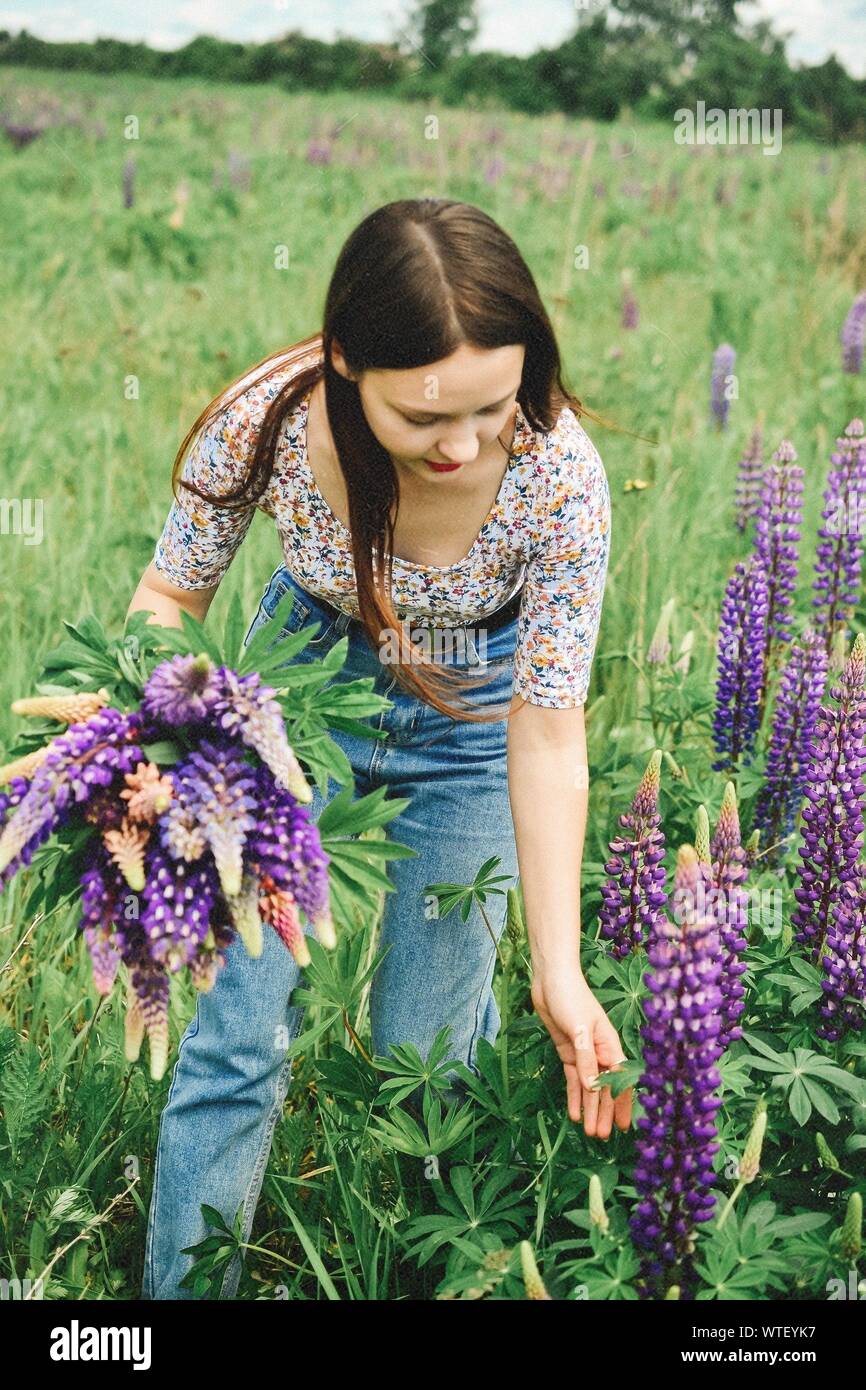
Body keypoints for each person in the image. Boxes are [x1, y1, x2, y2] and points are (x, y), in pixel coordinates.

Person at [131, 197, 631, 1301]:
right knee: (235, 1039)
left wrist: (559, 968)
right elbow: (168, 596)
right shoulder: (265, 419)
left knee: (430, 1059)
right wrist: (159, 739)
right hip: (295, 697)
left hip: (475, 714)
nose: (461, 445)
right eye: (422, 416)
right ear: (349, 362)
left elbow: (547, 733)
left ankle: (429, 1283)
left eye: (491, 406)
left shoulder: (560, 476)